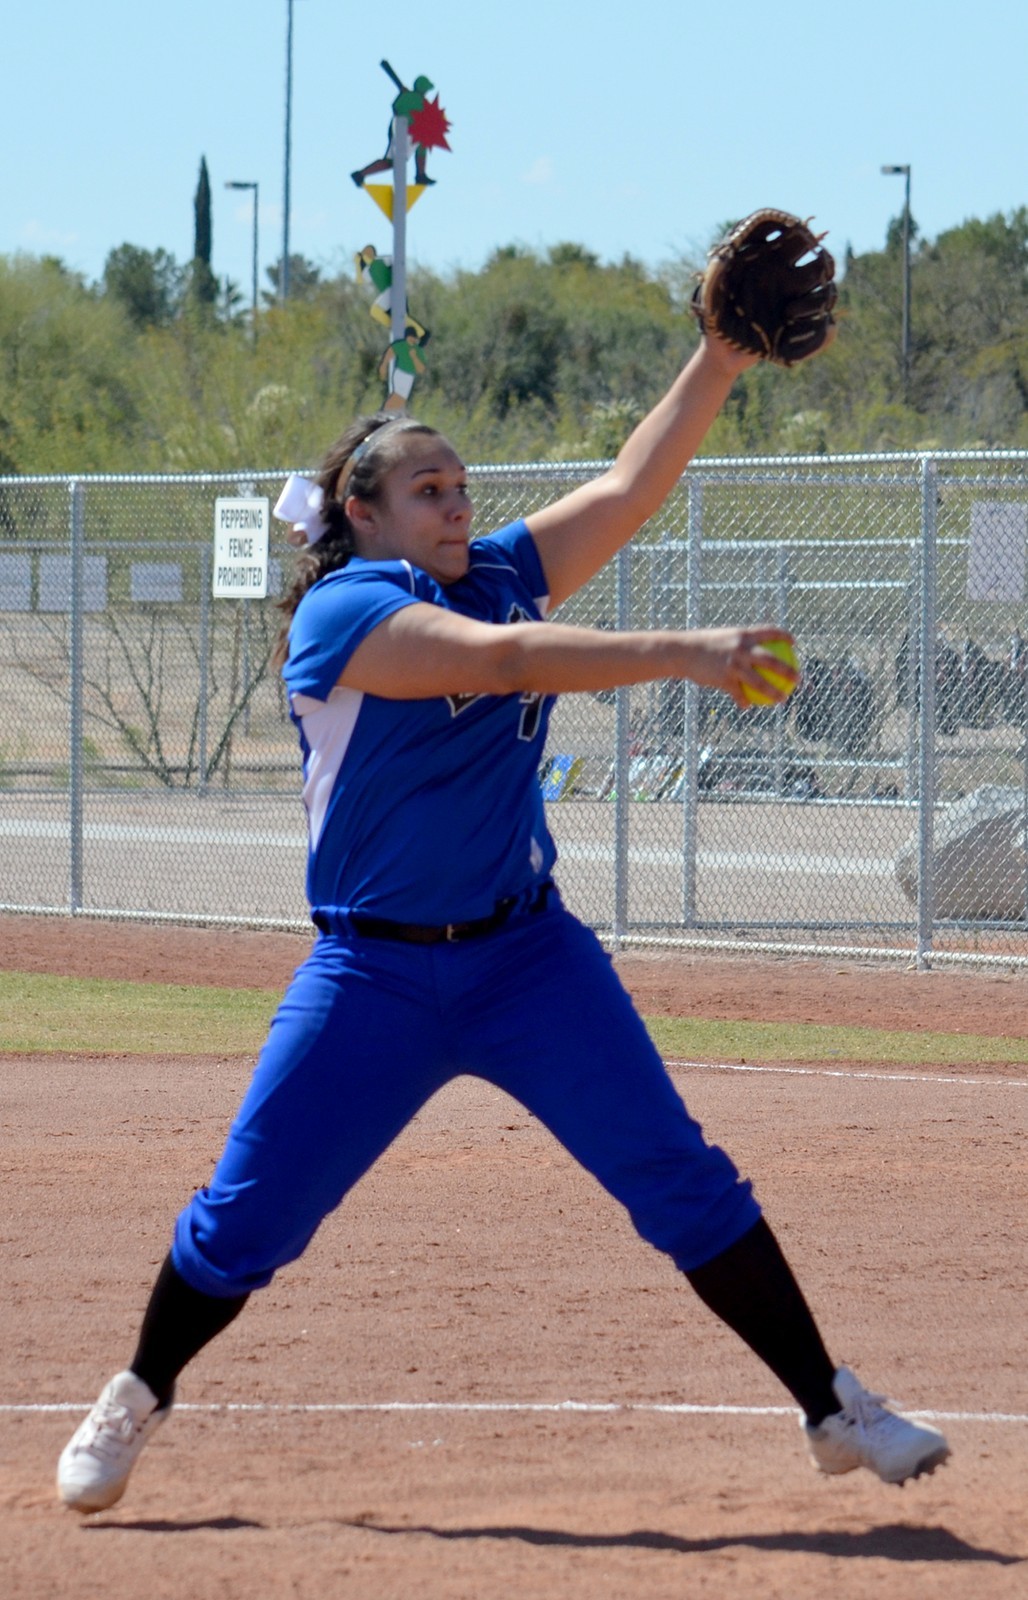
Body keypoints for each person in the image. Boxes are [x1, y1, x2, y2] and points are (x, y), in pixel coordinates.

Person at [56, 330, 950, 1513]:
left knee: (679, 1176)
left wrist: (715, 359)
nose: (455, 503)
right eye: (427, 489)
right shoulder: (344, 610)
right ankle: (134, 1393)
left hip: (528, 961)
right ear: (361, 514)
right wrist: (685, 651)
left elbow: (631, 485)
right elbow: (501, 657)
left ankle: (831, 1409)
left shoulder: (495, 568)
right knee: (249, 1213)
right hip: (369, 974)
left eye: (462, 484)